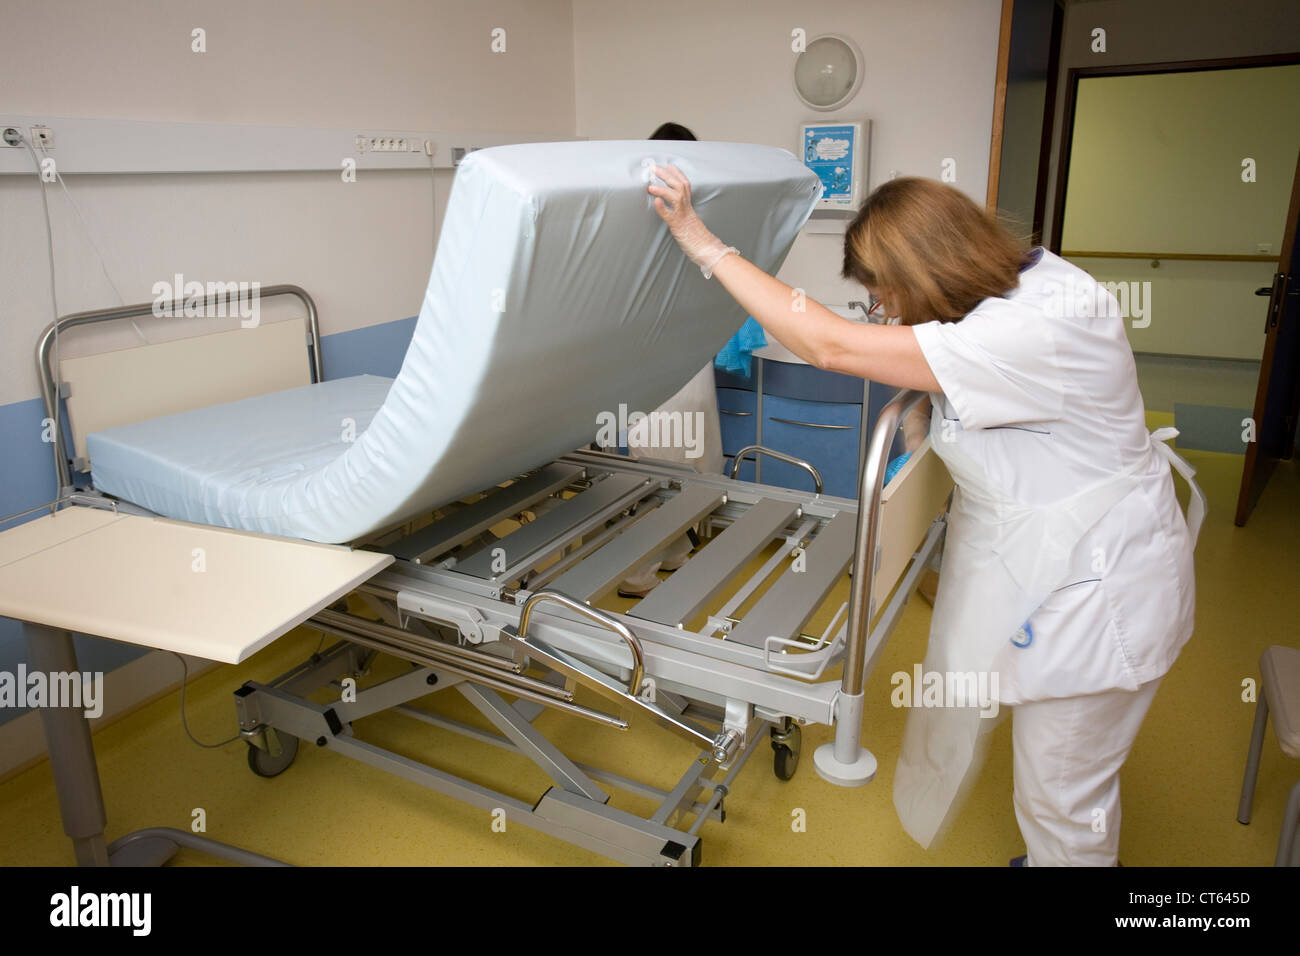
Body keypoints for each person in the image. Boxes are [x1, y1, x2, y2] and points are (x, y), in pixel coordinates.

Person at [646, 166, 1203, 866]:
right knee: (1059, 786)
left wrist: (701, 242)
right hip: (1075, 561)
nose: (883, 314)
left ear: (925, 269)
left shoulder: (1029, 328)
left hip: (1101, 596)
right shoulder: (1034, 277)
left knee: (1063, 796)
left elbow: (831, 346)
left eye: (882, 297)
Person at [617, 122, 724, 598]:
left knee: (675, 464)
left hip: (676, 354)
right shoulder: (672, 215)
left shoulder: (686, 216)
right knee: (666, 467)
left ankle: (664, 559)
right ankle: (652, 565)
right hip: (667, 356)